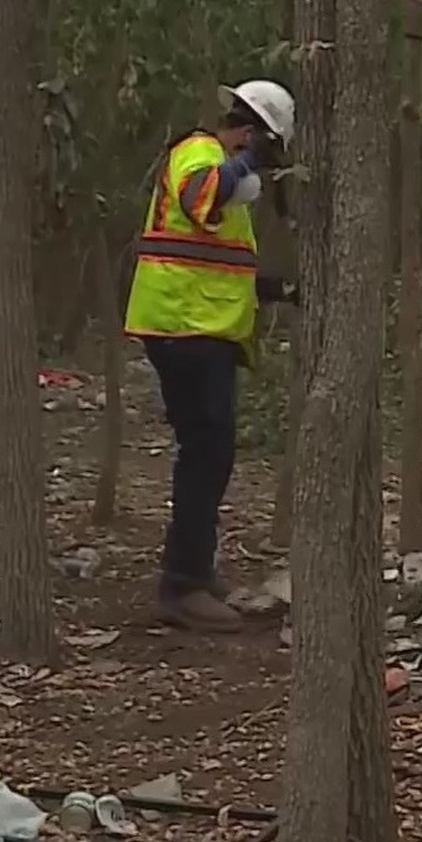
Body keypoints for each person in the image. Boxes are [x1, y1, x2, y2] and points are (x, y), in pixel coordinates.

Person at [124, 80, 299, 632]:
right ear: (248, 134)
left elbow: (217, 265)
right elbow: (201, 198)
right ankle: (182, 585)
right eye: (265, 151)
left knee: (208, 453)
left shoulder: (224, 176)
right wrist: (247, 159)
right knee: (206, 453)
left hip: (200, 327)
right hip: (183, 326)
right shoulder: (199, 153)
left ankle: (194, 571)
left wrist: (278, 290)